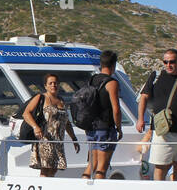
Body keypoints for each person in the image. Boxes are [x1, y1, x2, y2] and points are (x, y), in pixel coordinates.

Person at [137, 48, 177, 182]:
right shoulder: (156, 77)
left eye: (172, 62)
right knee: (160, 166)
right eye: (165, 62)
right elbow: (143, 97)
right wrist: (140, 119)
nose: (168, 65)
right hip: (162, 131)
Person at [25, 73, 80, 178]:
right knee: (45, 170)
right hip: (45, 139)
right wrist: (35, 127)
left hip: (58, 141)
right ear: (45, 86)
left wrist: (73, 138)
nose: (53, 85)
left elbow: (66, 122)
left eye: (55, 83)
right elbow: (26, 113)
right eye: (50, 83)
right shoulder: (40, 97)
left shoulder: (62, 100)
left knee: (54, 169)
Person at [80, 50, 122, 179]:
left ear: (101, 63)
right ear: (114, 65)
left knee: (91, 165)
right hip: (105, 128)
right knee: (102, 168)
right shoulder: (112, 83)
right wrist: (119, 127)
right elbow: (116, 109)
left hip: (91, 128)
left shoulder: (92, 80)